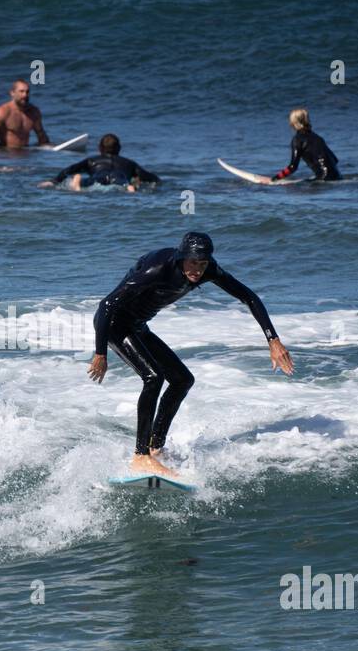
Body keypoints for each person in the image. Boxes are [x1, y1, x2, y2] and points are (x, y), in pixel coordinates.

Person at [88, 232, 293, 476]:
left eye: (203, 263)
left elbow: (248, 296)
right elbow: (107, 305)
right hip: (114, 325)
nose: (197, 270)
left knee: (183, 380)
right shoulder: (158, 269)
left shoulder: (208, 270)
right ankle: (140, 456)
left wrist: (273, 340)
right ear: (182, 257)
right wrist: (101, 353)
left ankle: (155, 449)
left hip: (139, 326)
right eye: (193, 262)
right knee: (153, 378)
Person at [40, 134, 160, 191]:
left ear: (100, 148)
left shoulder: (92, 161)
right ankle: (129, 188)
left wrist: (54, 181)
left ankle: (78, 183)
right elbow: (148, 177)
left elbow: (69, 170)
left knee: (89, 181)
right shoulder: (129, 163)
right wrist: (156, 180)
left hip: (99, 175)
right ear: (119, 148)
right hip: (119, 176)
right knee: (123, 182)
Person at [269, 108, 341, 182]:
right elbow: (335, 160)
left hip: (324, 179)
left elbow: (293, 167)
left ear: (293, 123)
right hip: (338, 177)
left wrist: (275, 179)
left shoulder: (297, 140)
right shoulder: (317, 137)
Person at [0, 79, 49, 148]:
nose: (25, 95)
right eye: (21, 91)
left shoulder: (34, 112)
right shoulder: (2, 112)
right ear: (12, 93)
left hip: (26, 153)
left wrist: (48, 152)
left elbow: (41, 135)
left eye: (27, 92)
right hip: (6, 154)